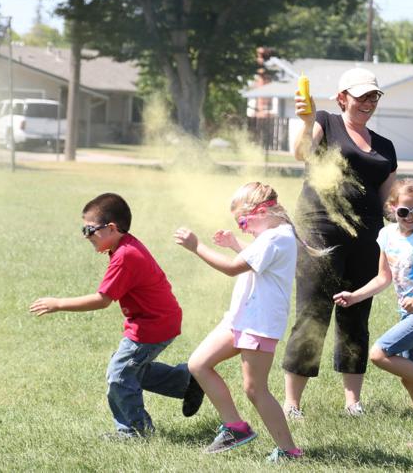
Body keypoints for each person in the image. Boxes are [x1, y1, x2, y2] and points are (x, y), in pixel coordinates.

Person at [29, 193, 204, 440]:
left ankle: (136, 432)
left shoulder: (124, 256)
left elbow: (103, 300)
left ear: (111, 228)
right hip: (159, 320)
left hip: (151, 326)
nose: (85, 235)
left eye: (90, 229)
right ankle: (185, 380)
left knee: (120, 374)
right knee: (131, 369)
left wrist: (58, 303)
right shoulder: (124, 245)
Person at [282, 67, 398, 419]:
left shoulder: (385, 146)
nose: (367, 102)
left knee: (356, 316)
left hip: (367, 239)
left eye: (373, 96)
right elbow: (300, 153)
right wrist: (304, 119)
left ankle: (352, 402)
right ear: (342, 97)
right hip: (320, 233)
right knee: (312, 314)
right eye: (360, 96)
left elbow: (387, 200)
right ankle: (292, 403)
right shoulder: (325, 121)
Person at [174, 182, 315, 461]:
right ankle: (235, 427)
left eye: (242, 221)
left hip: (259, 323)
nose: (241, 227)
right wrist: (234, 244)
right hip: (240, 319)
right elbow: (256, 259)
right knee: (199, 363)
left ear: (261, 210)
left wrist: (196, 246)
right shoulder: (273, 235)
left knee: (255, 389)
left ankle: (289, 451)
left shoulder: (277, 237)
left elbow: (232, 268)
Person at [333, 178, 413, 446]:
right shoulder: (387, 235)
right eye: (404, 211)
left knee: (379, 353)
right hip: (409, 315)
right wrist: (354, 296)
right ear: (392, 209)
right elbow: (383, 278)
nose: (410, 217)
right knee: (408, 378)